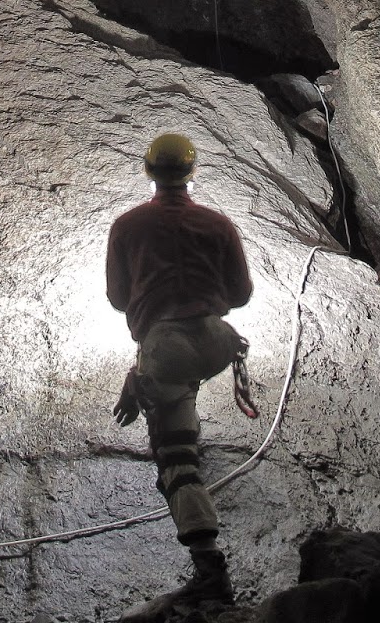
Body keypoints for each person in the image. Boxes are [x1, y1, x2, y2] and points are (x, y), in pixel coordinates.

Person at [106, 132, 253, 608]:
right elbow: (241, 294)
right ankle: (177, 405)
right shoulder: (217, 223)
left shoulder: (127, 226)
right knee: (178, 379)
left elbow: (118, 298)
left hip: (166, 348)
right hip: (216, 341)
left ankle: (211, 572)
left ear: (147, 172)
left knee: (177, 463)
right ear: (193, 173)